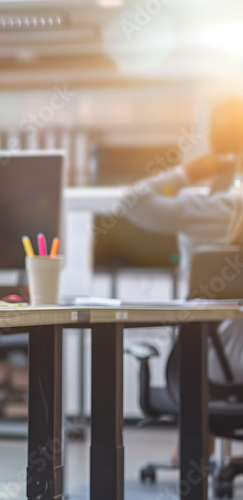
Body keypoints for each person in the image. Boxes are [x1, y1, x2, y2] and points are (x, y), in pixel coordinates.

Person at [122, 97, 243, 464]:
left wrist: (186, 173)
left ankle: (195, 443)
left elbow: (133, 202)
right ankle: (200, 442)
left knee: (204, 334)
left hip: (210, 362)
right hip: (230, 355)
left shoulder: (213, 209)